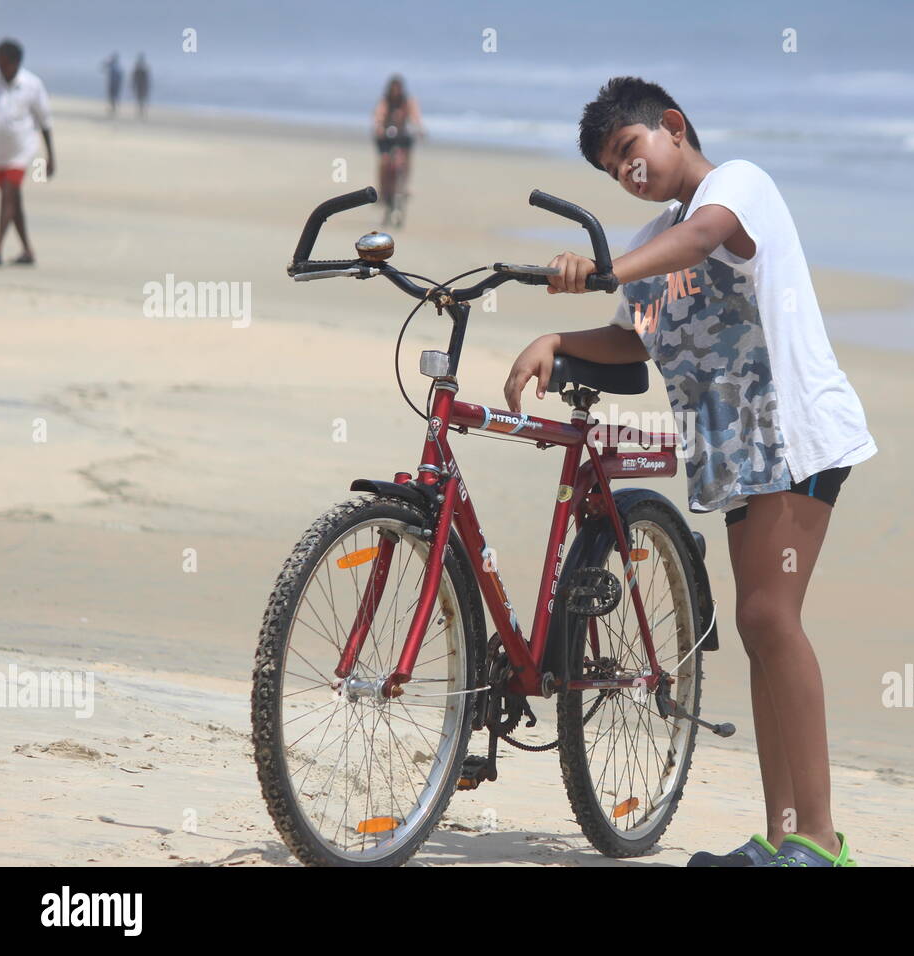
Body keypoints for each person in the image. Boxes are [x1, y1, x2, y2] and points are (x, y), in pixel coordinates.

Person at [503, 76, 876, 868]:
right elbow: (634, 341)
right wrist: (560, 340)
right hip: (738, 453)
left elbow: (705, 236)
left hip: (797, 436)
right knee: (756, 628)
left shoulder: (737, 185)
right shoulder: (649, 239)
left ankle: (819, 839)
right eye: (612, 169)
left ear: (671, 127)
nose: (627, 174)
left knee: (772, 620)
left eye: (630, 151)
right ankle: (782, 837)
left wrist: (609, 268)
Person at [0, 38, 54, 266]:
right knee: (13, 203)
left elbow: (45, 121)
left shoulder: (32, 85)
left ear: (15, 62)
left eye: (3, 62)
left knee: (9, 194)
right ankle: (28, 251)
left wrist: (50, 157)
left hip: (21, 152)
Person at [372, 74, 424, 227]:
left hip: (402, 137)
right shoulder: (385, 101)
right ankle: (383, 191)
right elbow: (379, 116)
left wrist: (419, 128)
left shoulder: (407, 101)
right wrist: (380, 127)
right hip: (388, 138)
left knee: (404, 162)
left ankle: (404, 187)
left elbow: (415, 117)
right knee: (385, 162)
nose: (395, 92)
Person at [101, 52, 121, 116]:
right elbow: (102, 68)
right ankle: (112, 109)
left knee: (112, 97)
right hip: (112, 85)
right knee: (111, 97)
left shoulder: (115, 68)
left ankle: (113, 109)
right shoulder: (113, 67)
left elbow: (103, 67)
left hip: (113, 85)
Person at [131, 54, 150, 119]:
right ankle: (141, 111)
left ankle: (141, 111)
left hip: (141, 87)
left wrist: (133, 86)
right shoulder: (141, 69)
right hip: (140, 87)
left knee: (141, 99)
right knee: (140, 99)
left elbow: (134, 79)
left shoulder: (141, 69)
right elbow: (134, 78)